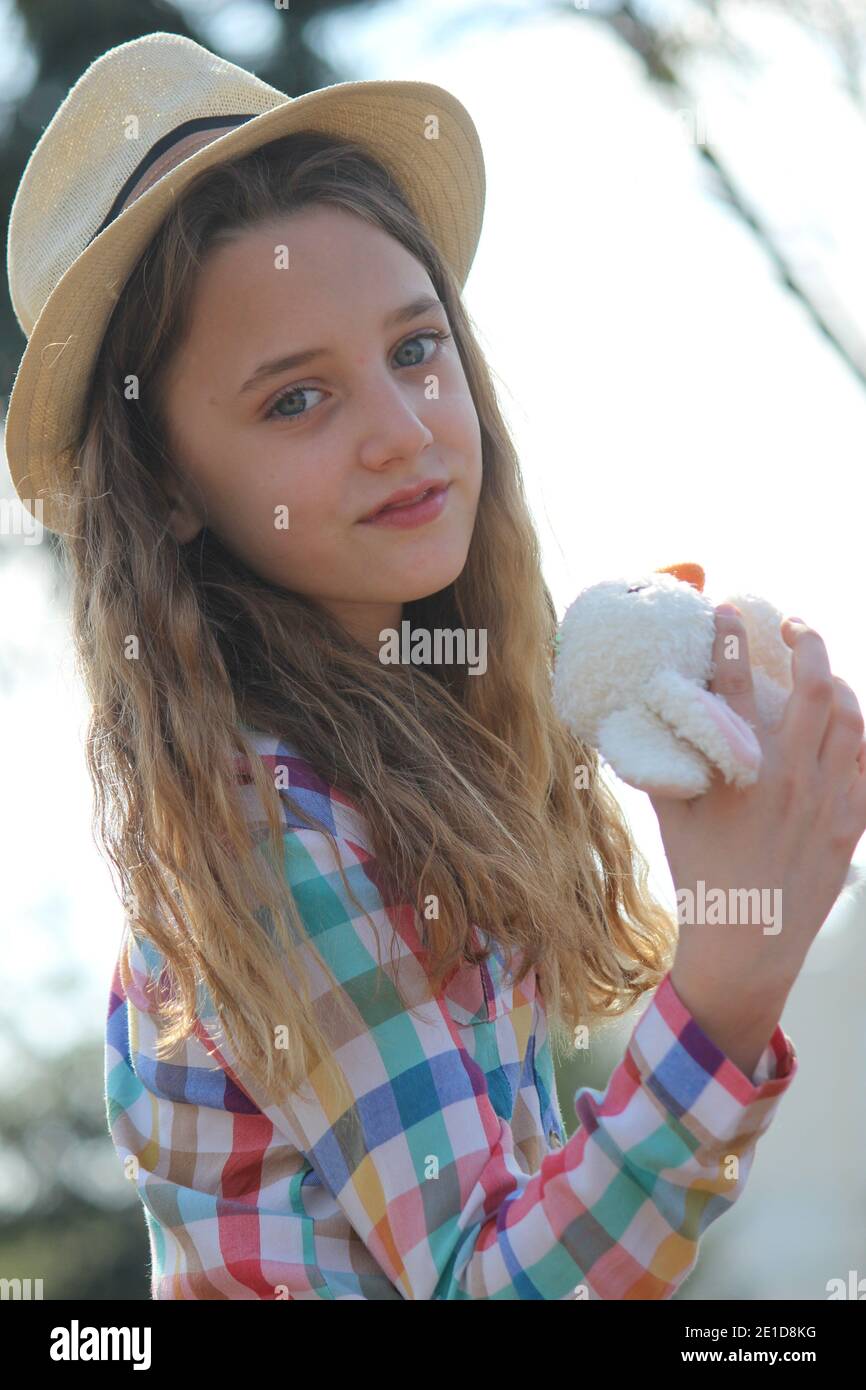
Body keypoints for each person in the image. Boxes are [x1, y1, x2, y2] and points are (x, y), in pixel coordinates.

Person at [7, 33, 866, 1301]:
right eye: (296, 401)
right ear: (171, 490)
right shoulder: (264, 821)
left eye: (415, 350)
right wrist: (727, 990)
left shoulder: (413, 768)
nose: (403, 432)